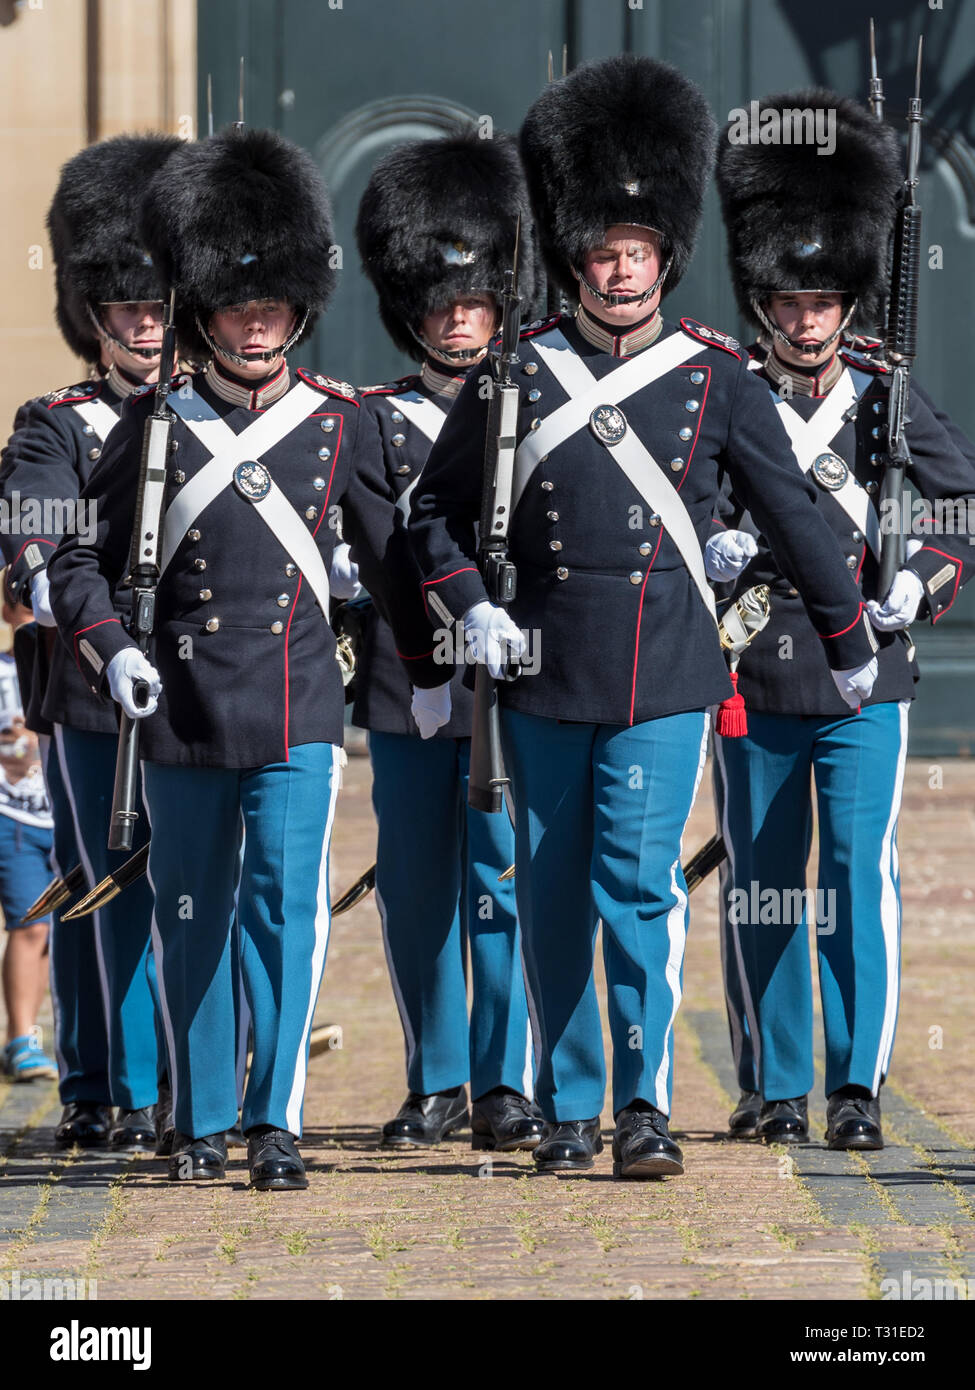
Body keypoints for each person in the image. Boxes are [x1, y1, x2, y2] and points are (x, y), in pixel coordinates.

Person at [408, 55, 879, 1179]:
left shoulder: (716, 377)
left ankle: (643, 1104)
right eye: (603, 251)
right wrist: (469, 606)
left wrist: (849, 634)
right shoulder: (518, 373)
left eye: (638, 251)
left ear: (666, 255)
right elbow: (430, 515)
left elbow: (800, 516)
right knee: (555, 885)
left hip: (665, 673)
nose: (620, 269)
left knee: (635, 883)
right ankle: (570, 1107)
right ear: (576, 255)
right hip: (543, 667)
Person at [48, 125, 441, 1190]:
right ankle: (203, 1115)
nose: (254, 321)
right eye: (235, 305)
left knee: (282, 907)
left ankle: (276, 1118)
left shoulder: (340, 424)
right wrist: (108, 647)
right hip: (179, 709)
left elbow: (399, 557)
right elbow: (80, 554)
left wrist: (438, 668)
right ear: (205, 311)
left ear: (299, 311)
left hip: (296, 704)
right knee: (190, 915)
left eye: (270, 307)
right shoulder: (157, 426)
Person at [713, 91, 975, 1150]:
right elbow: (685, 505)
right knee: (763, 879)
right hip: (753, 662)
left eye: (824, 298)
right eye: (792, 298)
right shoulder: (726, 390)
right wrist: (715, 546)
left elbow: (959, 504)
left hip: (867, 667)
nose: (809, 317)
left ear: (847, 301)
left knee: (855, 873)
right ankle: (773, 1085)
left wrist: (917, 578)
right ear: (765, 300)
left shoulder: (889, 394)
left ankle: (854, 1082)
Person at [354, 127, 542, 1151]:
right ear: (413, 313)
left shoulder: (531, 405)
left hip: (510, 683)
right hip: (405, 681)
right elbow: (377, 557)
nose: (462, 319)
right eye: (444, 304)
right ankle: (433, 1076)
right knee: (419, 885)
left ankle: (500, 1077)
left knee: (500, 877)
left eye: (475, 303)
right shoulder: (373, 420)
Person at [0, 135, 180, 1149]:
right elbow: (38, 522)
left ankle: (191, 1070)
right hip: (84, 685)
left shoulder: (204, 414)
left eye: (158, 311)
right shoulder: (58, 423)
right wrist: (64, 595)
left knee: (192, 881)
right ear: (95, 321)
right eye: (128, 313)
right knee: (95, 881)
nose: (147, 328)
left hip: (198, 684)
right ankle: (99, 1082)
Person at [0, 576, 57, 1081]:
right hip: (14, 817)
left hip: (60, 815)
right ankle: (20, 1036)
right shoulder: (3, 673)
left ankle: (35, 1035)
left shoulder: (62, 662)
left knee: (51, 933)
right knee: (30, 924)